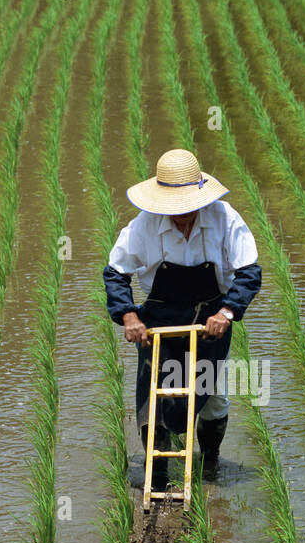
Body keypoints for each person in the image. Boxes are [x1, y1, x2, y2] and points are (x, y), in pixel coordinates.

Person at [102, 149, 262, 487]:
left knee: (211, 395)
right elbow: (116, 273)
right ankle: (156, 473)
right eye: (176, 213)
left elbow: (249, 272)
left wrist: (226, 312)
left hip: (209, 323)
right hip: (160, 321)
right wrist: (129, 316)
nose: (184, 218)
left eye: (189, 211)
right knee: (153, 393)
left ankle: (210, 463)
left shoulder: (224, 218)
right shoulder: (143, 225)